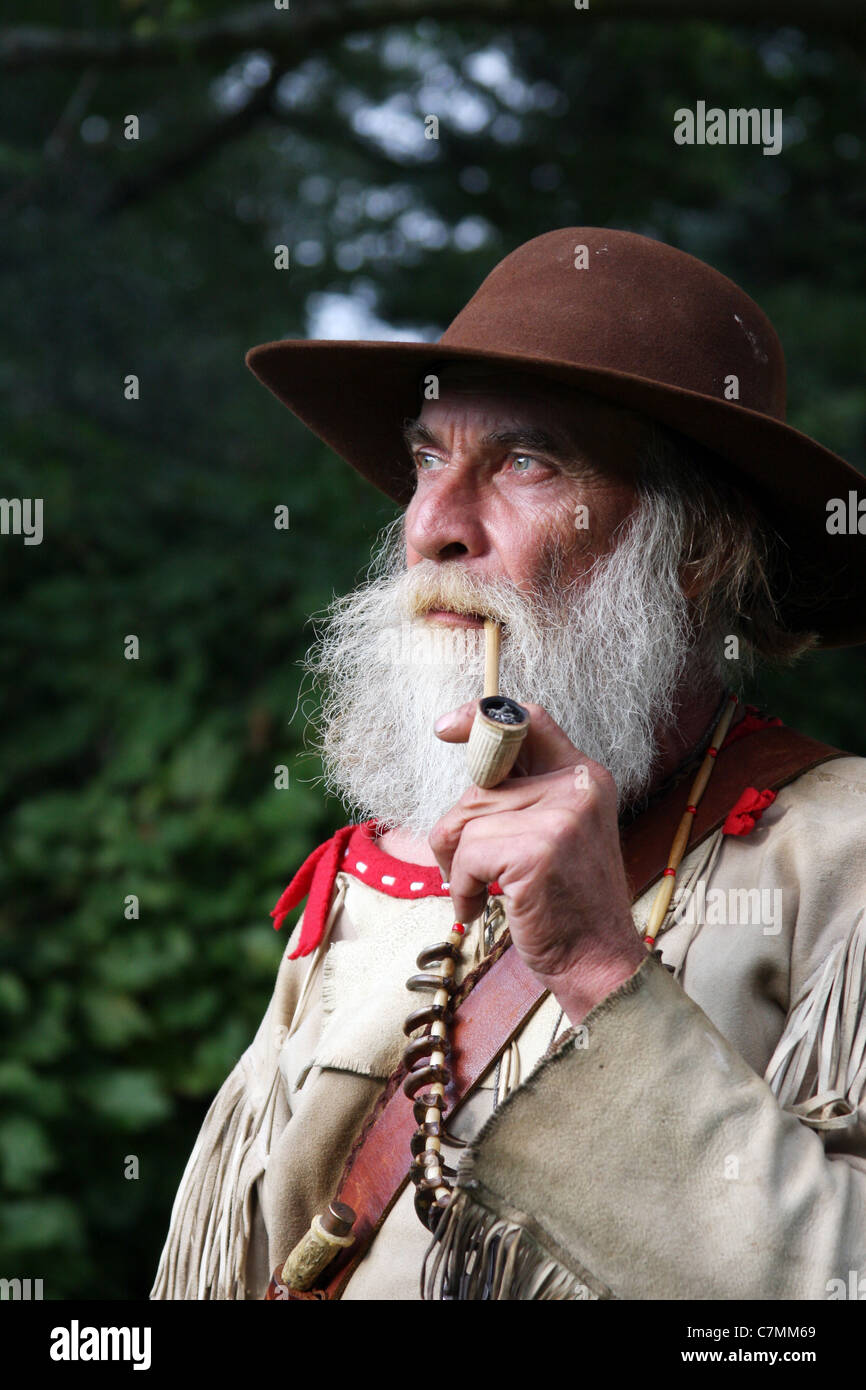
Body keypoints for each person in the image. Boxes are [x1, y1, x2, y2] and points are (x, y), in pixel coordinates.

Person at [150, 227, 866, 1301]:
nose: (431, 524)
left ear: (694, 550)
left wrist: (594, 967)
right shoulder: (371, 870)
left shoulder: (839, 855)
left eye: (526, 461)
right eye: (429, 457)